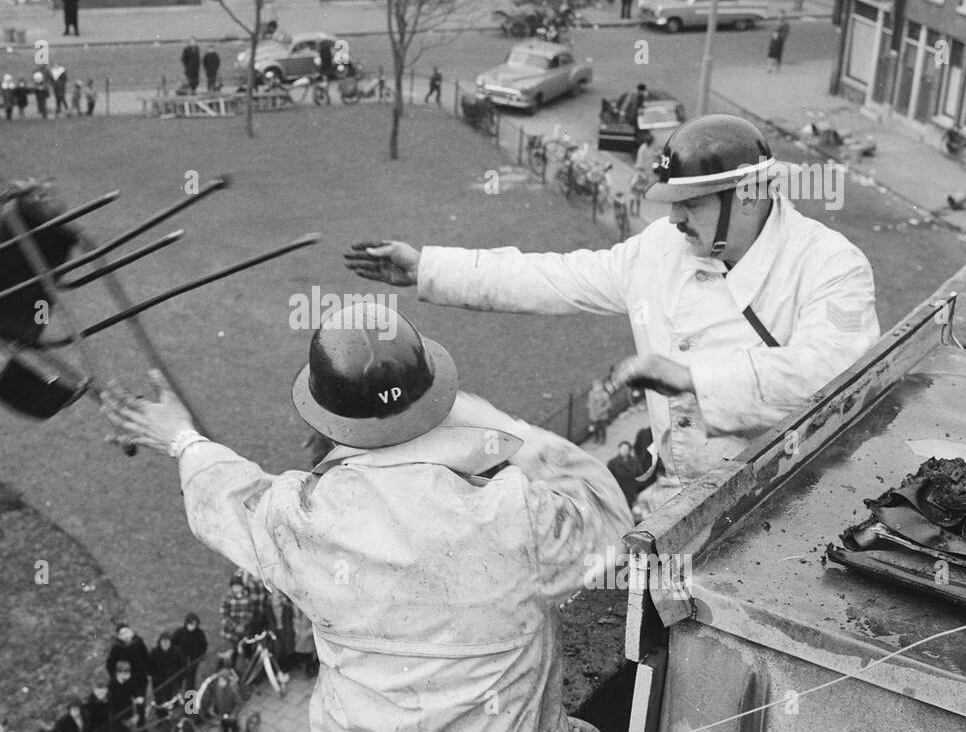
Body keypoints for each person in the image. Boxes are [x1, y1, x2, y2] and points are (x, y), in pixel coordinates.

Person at [102, 305, 631, 732]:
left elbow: (227, 495)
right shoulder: (514, 515)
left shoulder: (297, 519)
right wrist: (482, 419)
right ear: (432, 401)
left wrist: (179, 438)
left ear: (322, 419)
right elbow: (604, 509)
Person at [345, 115, 880, 516]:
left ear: (745, 195)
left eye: (688, 203)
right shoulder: (660, 251)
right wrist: (429, 269)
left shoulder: (830, 265)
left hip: (785, 502)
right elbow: (554, 277)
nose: (671, 218)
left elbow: (834, 378)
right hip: (677, 495)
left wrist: (689, 377)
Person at [105, 623, 150, 726]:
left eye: (126, 631)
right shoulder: (116, 648)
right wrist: (116, 678)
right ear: (119, 636)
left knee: (141, 704)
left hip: (140, 680)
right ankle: (126, 729)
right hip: (126, 681)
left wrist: (146, 671)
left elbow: (145, 657)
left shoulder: (138, 642)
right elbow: (110, 665)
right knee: (125, 706)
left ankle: (142, 727)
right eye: (122, 633)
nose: (125, 635)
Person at [211, 658, 243, 732]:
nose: (220, 682)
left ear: (227, 681)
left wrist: (234, 714)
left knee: (235, 731)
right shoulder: (218, 689)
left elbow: (239, 703)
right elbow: (216, 699)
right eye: (219, 680)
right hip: (222, 714)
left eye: (223, 680)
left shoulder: (232, 691)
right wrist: (214, 708)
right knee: (224, 729)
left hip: (231, 715)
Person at [149, 632, 188, 709]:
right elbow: (149, 666)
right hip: (158, 678)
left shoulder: (177, 651)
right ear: (160, 642)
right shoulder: (154, 652)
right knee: (158, 695)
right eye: (163, 642)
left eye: (167, 642)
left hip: (172, 677)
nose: (165, 644)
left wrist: (180, 675)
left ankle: (172, 705)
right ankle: (160, 708)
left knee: (170, 694)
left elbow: (183, 664)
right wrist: (154, 676)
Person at [220, 573, 253, 658]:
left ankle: (242, 660)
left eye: (239, 586)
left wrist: (243, 625)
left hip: (244, 628)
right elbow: (224, 614)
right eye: (235, 587)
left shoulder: (247, 597)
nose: (237, 589)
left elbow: (250, 613)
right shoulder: (228, 598)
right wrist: (234, 626)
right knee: (231, 647)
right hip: (231, 629)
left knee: (243, 647)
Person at [173, 612, 208, 691]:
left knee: (191, 682)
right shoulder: (179, 633)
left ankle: (189, 703)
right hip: (180, 661)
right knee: (177, 681)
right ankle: (176, 701)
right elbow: (173, 645)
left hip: (194, 661)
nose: (192, 626)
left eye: (194, 624)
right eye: (190, 623)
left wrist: (200, 656)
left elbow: (203, 646)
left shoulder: (200, 634)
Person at [607, 440, 641, 508]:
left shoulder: (635, 461)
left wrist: (637, 488)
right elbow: (608, 478)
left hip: (632, 490)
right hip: (619, 491)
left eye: (626, 449)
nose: (623, 451)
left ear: (629, 450)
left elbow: (639, 474)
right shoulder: (612, 463)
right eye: (622, 448)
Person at [587, 378, 611, 445]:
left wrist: (603, 410)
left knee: (603, 428)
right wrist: (590, 412)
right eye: (595, 386)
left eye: (598, 386)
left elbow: (608, 405)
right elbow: (590, 404)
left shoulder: (605, 395)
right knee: (595, 428)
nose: (597, 388)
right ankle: (596, 438)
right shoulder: (591, 394)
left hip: (602, 416)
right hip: (593, 415)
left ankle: (603, 439)